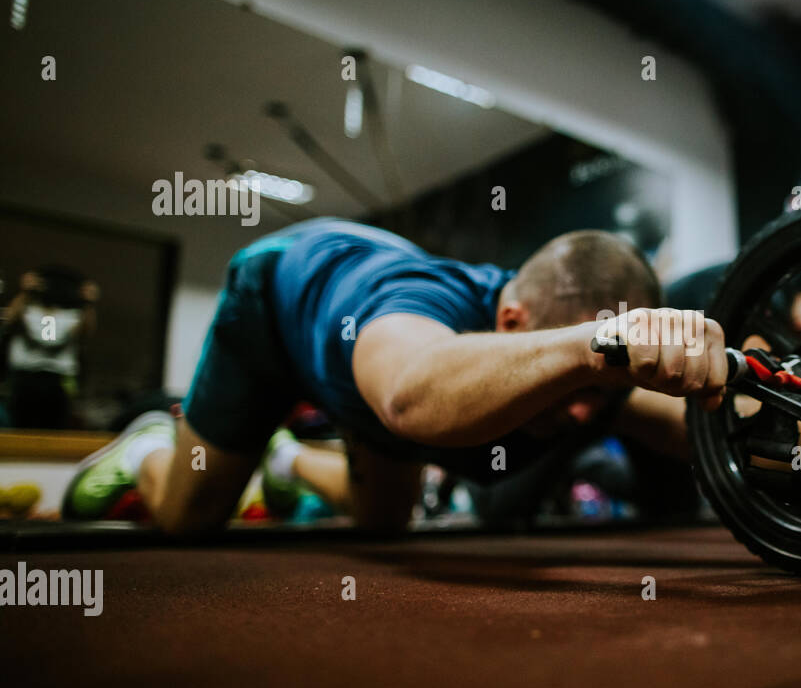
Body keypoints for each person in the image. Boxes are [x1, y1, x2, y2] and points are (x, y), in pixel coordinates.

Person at [61, 219, 727, 534]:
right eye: (583, 384)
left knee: (384, 525)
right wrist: (596, 349)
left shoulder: (589, 384)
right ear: (514, 320)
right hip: (276, 308)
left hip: (358, 379)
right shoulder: (420, 303)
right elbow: (410, 397)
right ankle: (151, 448)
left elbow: (695, 432)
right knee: (187, 521)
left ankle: (288, 460)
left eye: (602, 395)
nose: (588, 415)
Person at [1, 268, 99, 429]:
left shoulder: (72, 315)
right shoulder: (28, 310)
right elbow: (9, 319)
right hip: (25, 379)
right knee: (20, 428)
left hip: (57, 381)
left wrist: (88, 301)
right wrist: (25, 291)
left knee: (54, 429)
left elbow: (88, 331)